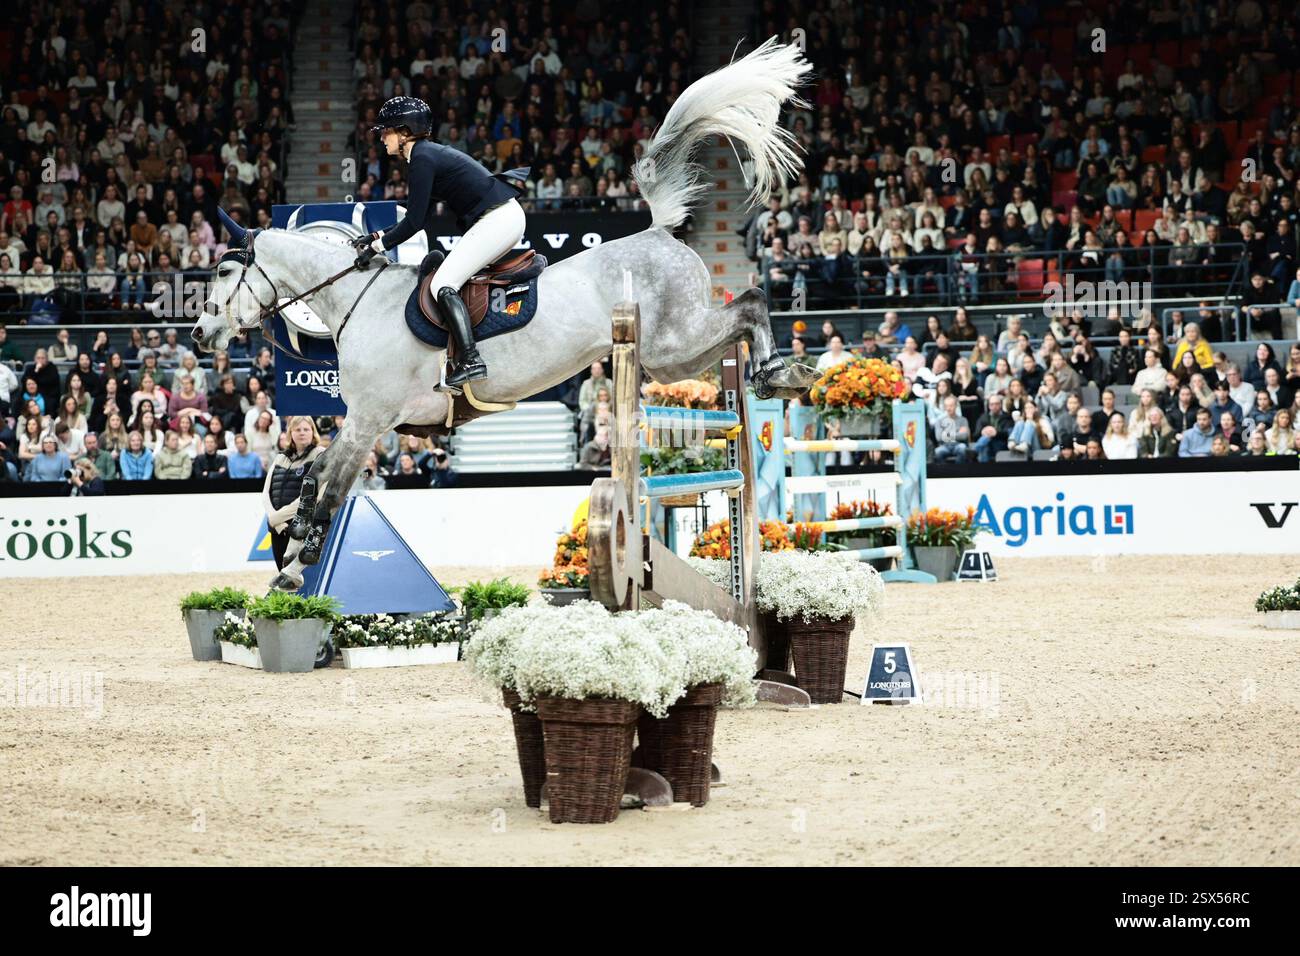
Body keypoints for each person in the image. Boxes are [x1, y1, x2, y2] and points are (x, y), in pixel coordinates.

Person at [352, 96, 527, 387]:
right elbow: (416, 216)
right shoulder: (424, 155)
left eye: (387, 131)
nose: (382, 138)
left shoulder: (422, 158)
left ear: (405, 132)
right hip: (501, 217)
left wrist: (376, 248)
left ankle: (471, 359)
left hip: (500, 219)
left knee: (441, 284)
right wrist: (377, 237)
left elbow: (415, 222)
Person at [262, 416, 328, 569]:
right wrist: (277, 523)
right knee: (282, 574)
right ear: (290, 433)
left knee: (301, 578)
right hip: (278, 528)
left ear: (313, 432)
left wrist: (277, 517)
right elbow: (266, 492)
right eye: (297, 429)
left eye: (306, 429)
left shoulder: (320, 455)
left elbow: (314, 494)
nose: (302, 433)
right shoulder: (280, 457)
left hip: (303, 527)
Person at [969, 394, 1013, 462]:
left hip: (1000, 444)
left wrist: (996, 433)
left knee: (987, 439)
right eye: (992, 404)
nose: (994, 406)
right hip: (986, 444)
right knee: (986, 443)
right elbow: (975, 435)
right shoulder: (983, 417)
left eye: (996, 404)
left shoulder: (1007, 417)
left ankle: (974, 451)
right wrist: (982, 432)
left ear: (1000, 405)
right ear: (989, 406)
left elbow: (1009, 433)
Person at [932, 395, 969, 462]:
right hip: (944, 446)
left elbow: (964, 436)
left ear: (956, 406)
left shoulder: (963, 420)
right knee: (937, 452)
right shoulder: (939, 421)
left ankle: (959, 471)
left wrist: (946, 433)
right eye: (946, 406)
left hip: (959, 444)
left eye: (951, 406)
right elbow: (939, 437)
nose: (948, 408)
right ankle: (943, 472)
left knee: (962, 449)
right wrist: (957, 432)